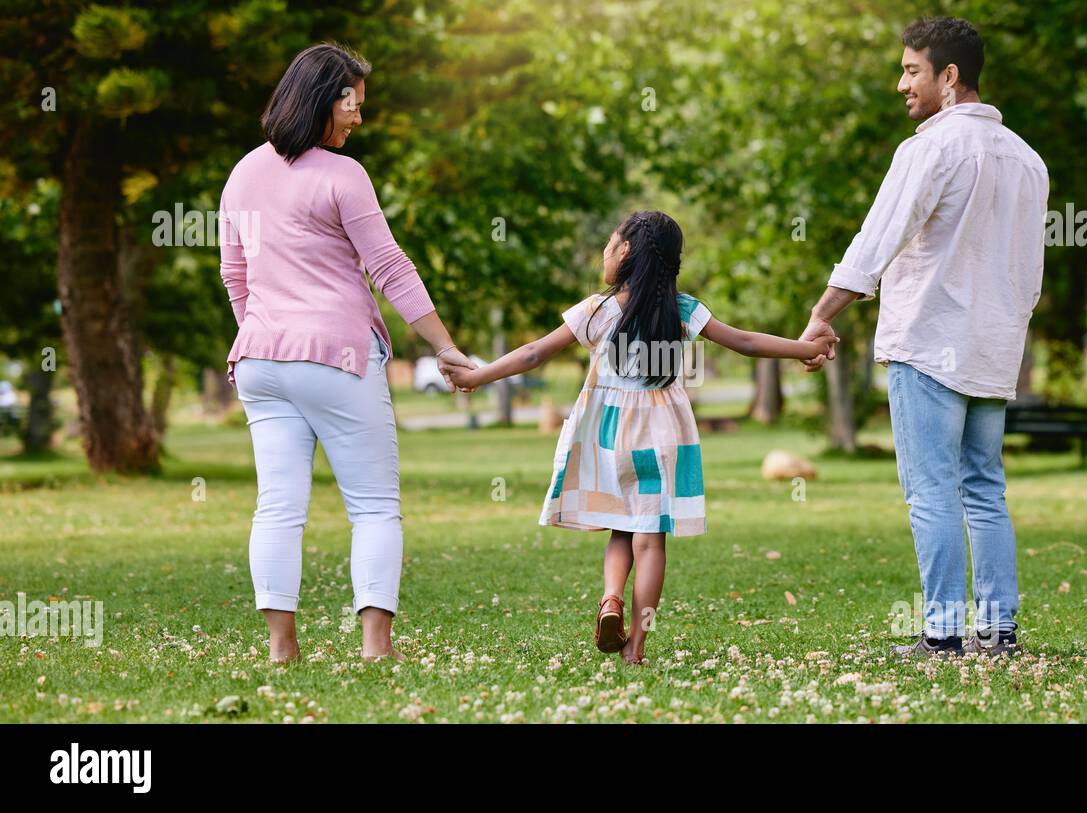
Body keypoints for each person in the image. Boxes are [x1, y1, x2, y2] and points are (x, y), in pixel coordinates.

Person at [447, 210, 836, 664]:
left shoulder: (597, 309)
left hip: (610, 434)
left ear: (625, 251)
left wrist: (479, 376)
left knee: (619, 525)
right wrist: (808, 348)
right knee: (649, 538)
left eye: (609, 245)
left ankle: (610, 598)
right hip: (664, 433)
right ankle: (636, 646)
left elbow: (534, 353)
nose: (604, 254)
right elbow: (747, 343)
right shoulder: (684, 309)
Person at [798, 17, 1049, 658]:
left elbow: (875, 241)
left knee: (932, 491)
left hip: (927, 342)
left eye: (912, 70)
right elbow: (1029, 272)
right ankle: (997, 632)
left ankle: (941, 634)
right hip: (991, 350)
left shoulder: (929, 149)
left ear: (949, 76)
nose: (901, 84)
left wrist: (824, 313)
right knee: (985, 489)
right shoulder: (1028, 160)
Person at [218, 42, 476, 662]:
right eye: (352, 104)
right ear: (320, 101)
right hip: (336, 357)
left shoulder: (242, 172)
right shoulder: (344, 175)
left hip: (259, 361)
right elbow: (389, 267)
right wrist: (445, 347)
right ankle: (375, 648)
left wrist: (263, 333)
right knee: (374, 506)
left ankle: (283, 650)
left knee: (277, 507)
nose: (358, 117)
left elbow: (235, 275)